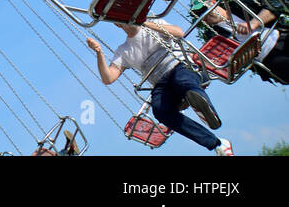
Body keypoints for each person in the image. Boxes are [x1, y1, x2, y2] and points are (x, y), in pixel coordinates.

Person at [86, 19, 233, 155]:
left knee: (182, 82)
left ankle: (203, 107)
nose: (129, 20)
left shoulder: (153, 25)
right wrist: (99, 53)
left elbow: (179, 33)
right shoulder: (124, 50)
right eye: (123, 20)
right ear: (118, 25)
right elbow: (108, 78)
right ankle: (216, 143)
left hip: (180, 66)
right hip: (161, 83)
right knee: (160, 111)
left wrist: (145, 23)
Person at [190, 0, 289, 84]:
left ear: (214, 2)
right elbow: (228, 63)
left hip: (281, 37)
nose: (205, 15)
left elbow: (274, 6)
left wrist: (254, 23)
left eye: (204, 9)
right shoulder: (213, 36)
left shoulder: (239, 3)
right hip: (268, 59)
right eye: (199, 14)